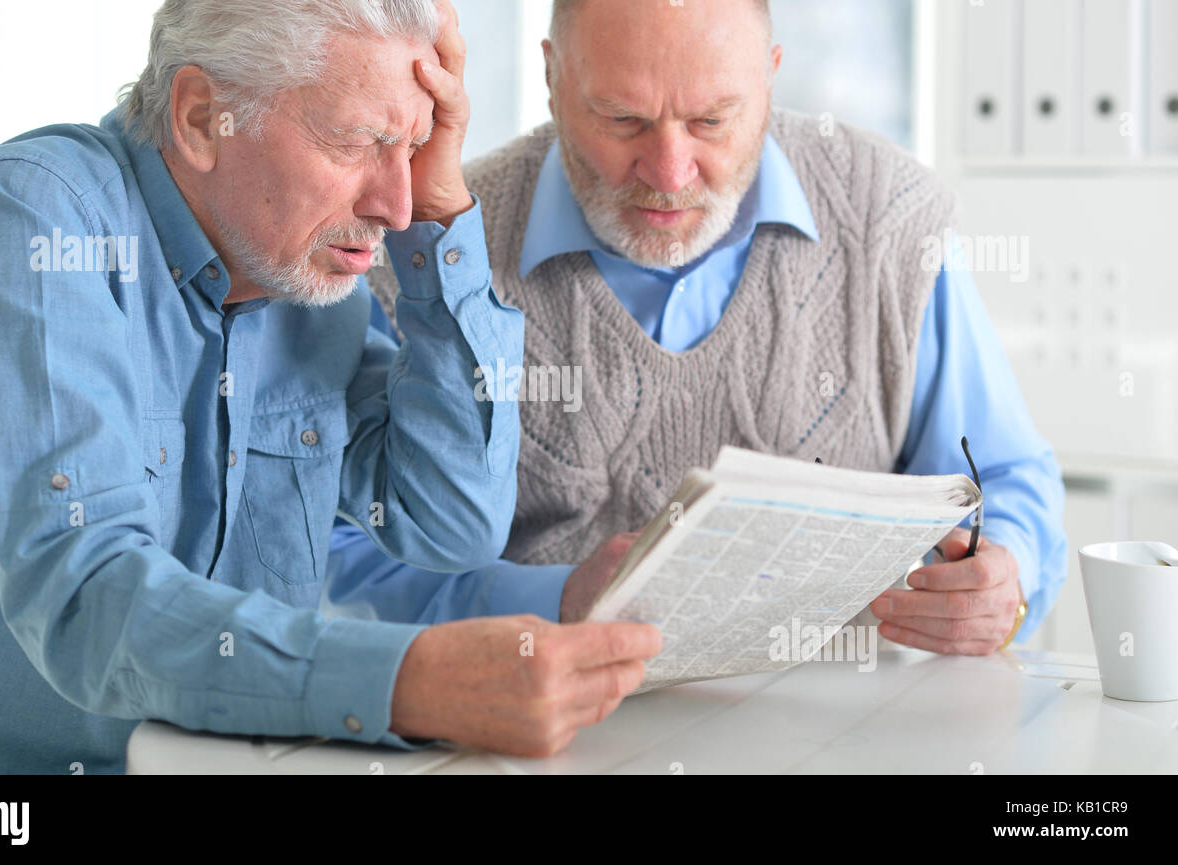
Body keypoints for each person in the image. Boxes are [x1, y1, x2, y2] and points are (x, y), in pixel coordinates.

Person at [0, 0, 660, 774]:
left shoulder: (307, 286)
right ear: (199, 117)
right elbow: (89, 596)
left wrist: (443, 216)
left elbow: (449, 523)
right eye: (359, 141)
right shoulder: (30, 223)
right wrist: (406, 683)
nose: (394, 205)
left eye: (415, 148)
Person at [350, 0, 1066, 656]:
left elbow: (1002, 475)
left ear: (771, 79)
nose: (668, 172)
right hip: (533, 734)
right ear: (550, 76)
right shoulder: (424, 250)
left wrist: (1007, 569)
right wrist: (553, 601)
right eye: (622, 119)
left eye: (712, 120)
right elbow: (346, 555)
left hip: (848, 728)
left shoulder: (891, 221)